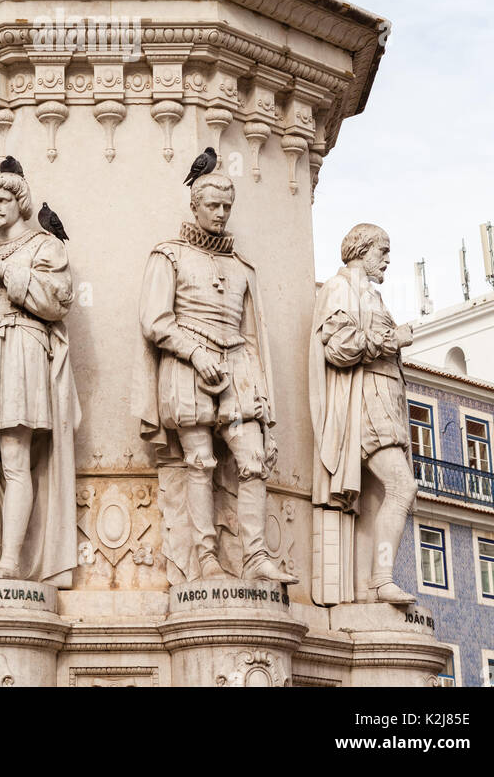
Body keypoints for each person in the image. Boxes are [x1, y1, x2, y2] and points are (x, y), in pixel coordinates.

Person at [134, 173, 294, 583]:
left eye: (227, 207)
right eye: (213, 206)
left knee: (254, 461)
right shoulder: (168, 255)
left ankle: (255, 556)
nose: (222, 214)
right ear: (195, 206)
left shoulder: (242, 268)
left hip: (239, 366)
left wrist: (261, 394)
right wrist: (195, 352)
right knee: (200, 462)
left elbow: (254, 336)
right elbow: (155, 320)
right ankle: (206, 558)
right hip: (189, 365)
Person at [0, 171, 80, 583]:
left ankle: (10, 561)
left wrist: (8, 274)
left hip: (21, 350)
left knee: (14, 458)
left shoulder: (45, 246)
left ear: (21, 203)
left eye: (3, 200)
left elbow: (58, 300)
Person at [310, 223, 417, 606]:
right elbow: (339, 346)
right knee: (403, 488)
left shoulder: (369, 294)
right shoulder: (341, 288)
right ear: (361, 248)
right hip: (369, 401)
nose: (387, 259)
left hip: (388, 400)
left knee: (377, 500)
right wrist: (393, 339)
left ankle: (371, 584)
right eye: (382, 251)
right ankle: (382, 578)